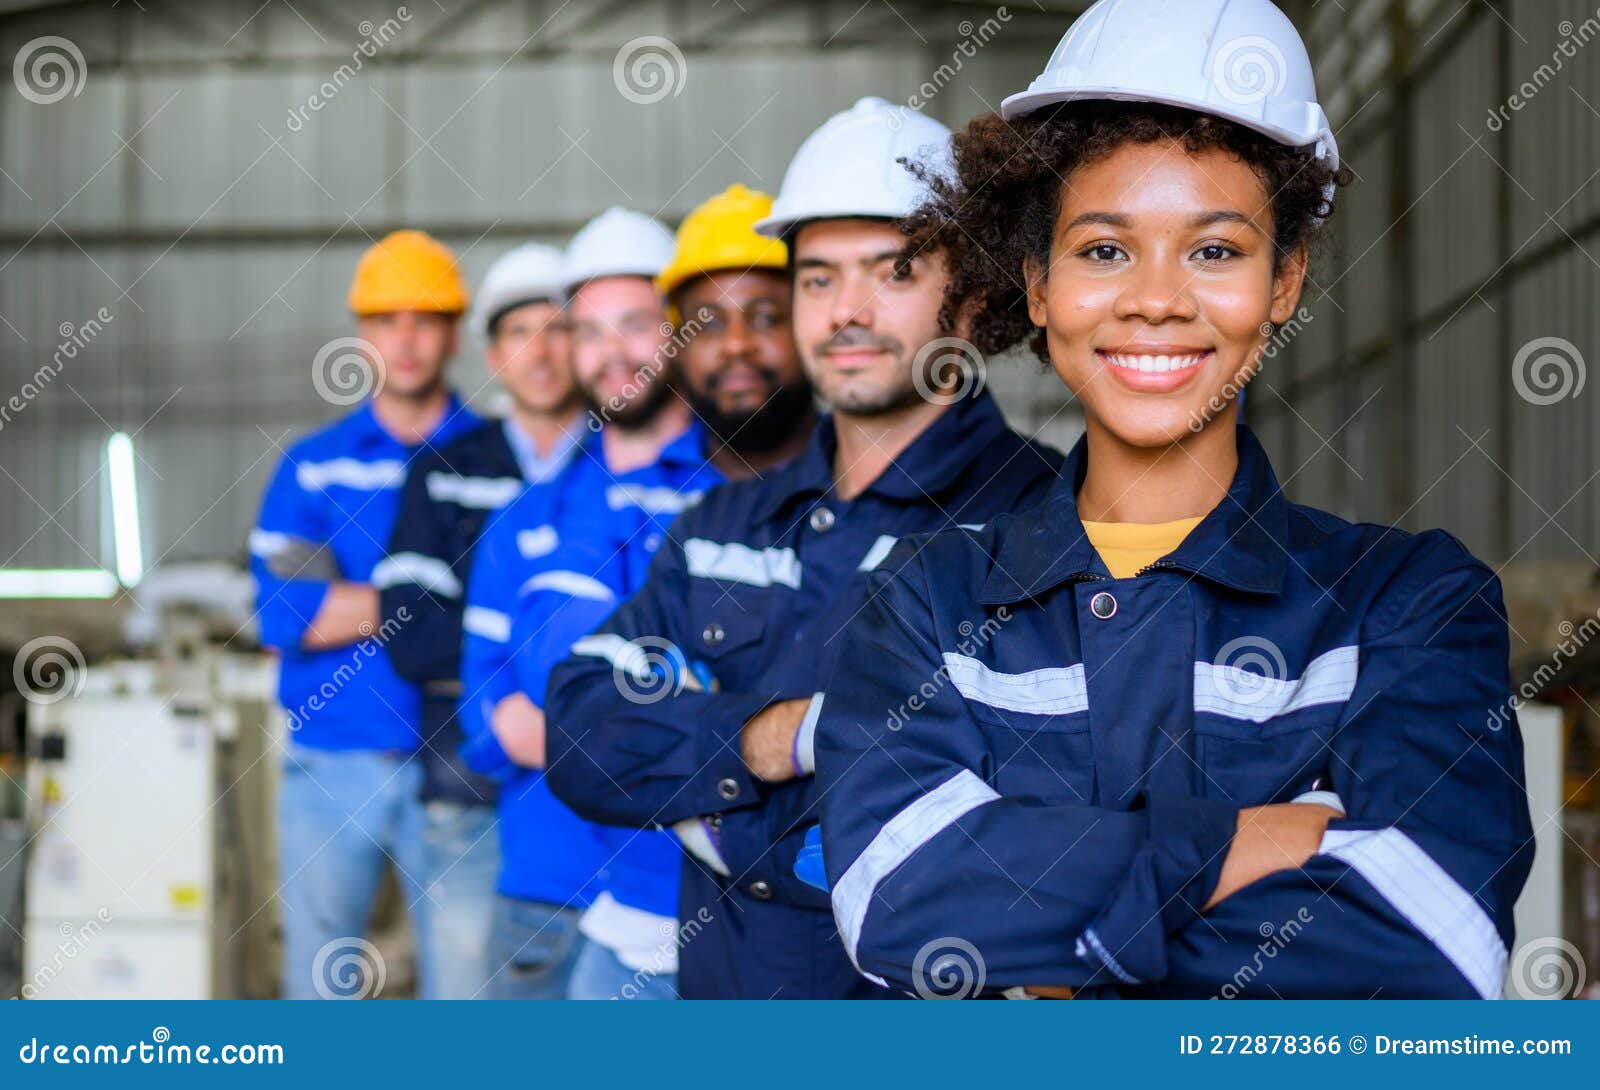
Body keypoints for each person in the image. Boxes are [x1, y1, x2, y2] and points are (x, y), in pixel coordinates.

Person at [810, 0, 1535, 1000]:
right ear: (1035, 284)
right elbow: (897, 900)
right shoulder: (927, 601)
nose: (1155, 297)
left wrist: (1057, 933)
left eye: (1215, 250)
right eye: (1103, 249)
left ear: (1284, 282)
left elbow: (1429, 945)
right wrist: (1239, 841)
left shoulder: (1411, 603)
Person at [543, 99, 1065, 1000]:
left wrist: (710, 809)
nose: (847, 312)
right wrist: (772, 736)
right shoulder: (724, 524)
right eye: (819, 279)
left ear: (974, 296)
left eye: (893, 271)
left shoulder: (1045, 517)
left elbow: (1033, 808)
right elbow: (583, 733)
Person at [457, 207, 714, 999]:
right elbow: (480, 695)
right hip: (543, 885)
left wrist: (567, 732)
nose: (615, 352)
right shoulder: (532, 514)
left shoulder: (735, 498)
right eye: (592, 331)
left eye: (636, 323)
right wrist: (615, 741)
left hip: (683, 901)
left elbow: (727, 705)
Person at [249, 230, 480, 999]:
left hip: (463, 763)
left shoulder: (492, 457)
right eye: (388, 319)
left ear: (453, 330)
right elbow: (286, 614)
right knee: (320, 991)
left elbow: (506, 604)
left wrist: (356, 596)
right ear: (362, 333)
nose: (406, 339)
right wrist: (430, 596)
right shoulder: (313, 463)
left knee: (470, 992)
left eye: (425, 318)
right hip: (333, 760)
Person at [374, 242, 583, 998]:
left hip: (590, 799)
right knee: (465, 1007)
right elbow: (408, 630)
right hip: (465, 789)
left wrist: (501, 662)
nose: (543, 351)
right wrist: (551, 687)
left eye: (561, 330)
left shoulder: (616, 463)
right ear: (492, 354)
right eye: (521, 333)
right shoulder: (446, 467)